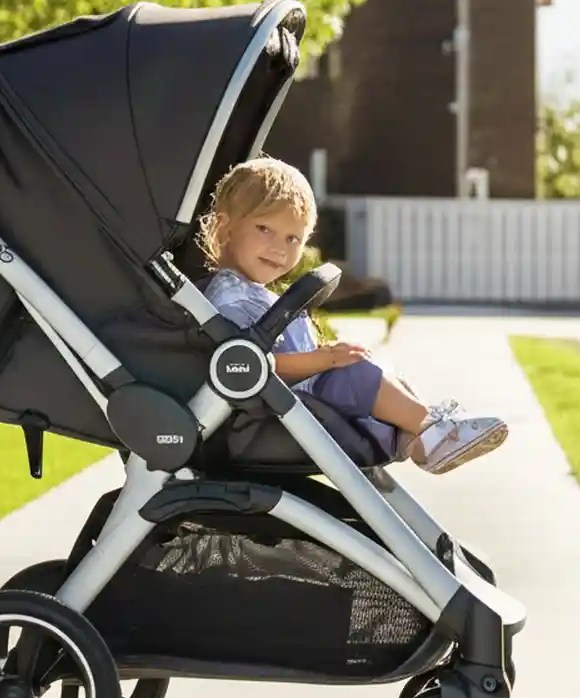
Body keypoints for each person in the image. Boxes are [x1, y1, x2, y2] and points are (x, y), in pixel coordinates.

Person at [199, 157, 508, 473]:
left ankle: (420, 441)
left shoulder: (251, 291)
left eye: (292, 238)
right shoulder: (230, 297)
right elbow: (244, 364)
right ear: (225, 226)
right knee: (358, 373)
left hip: (294, 399)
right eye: (265, 229)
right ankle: (431, 426)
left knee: (378, 374)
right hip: (273, 408)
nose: (279, 248)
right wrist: (326, 360)